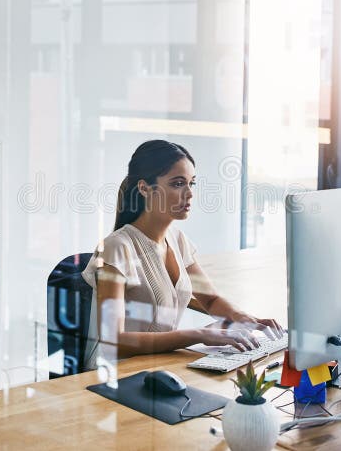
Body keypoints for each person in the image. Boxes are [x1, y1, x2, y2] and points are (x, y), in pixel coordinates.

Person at [81, 140, 283, 369]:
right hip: (115, 375)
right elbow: (113, 340)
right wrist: (198, 334)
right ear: (145, 188)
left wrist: (246, 320)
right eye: (178, 184)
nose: (189, 194)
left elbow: (211, 299)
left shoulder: (178, 242)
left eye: (191, 184)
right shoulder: (116, 248)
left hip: (159, 367)